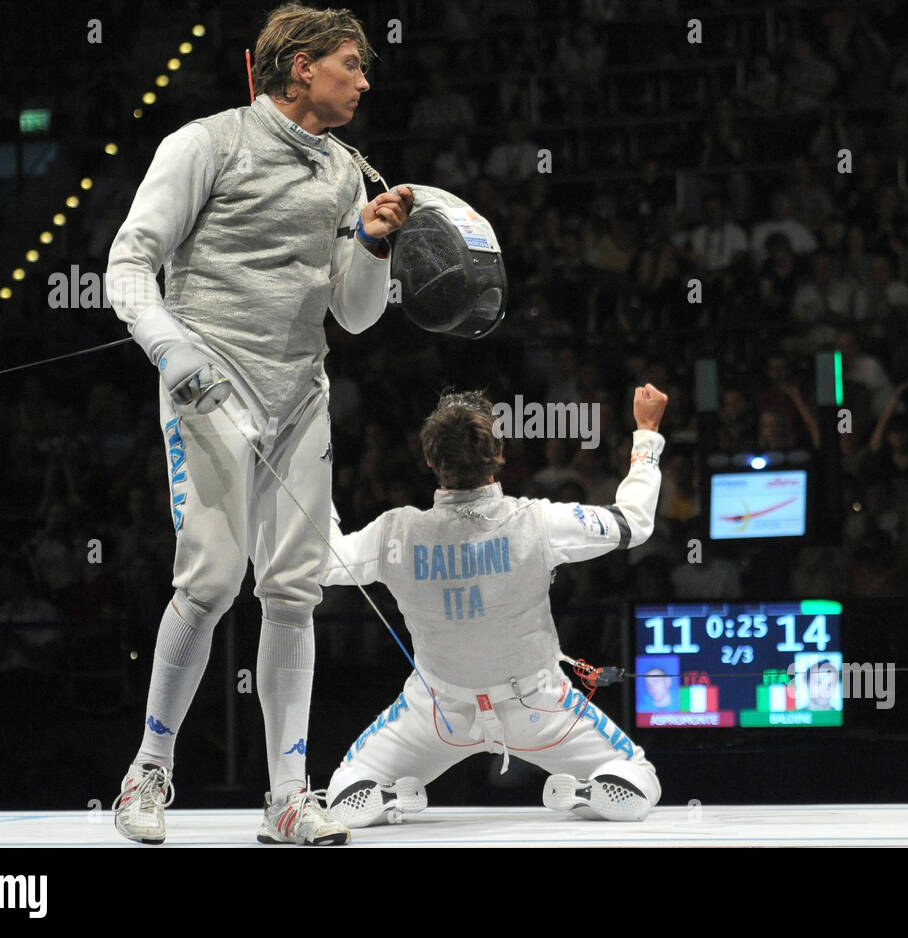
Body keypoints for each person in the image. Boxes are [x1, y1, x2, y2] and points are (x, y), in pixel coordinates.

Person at [104, 4, 412, 846]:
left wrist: (374, 245)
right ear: (302, 66)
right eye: (352, 63)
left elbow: (351, 317)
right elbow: (128, 266)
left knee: (292, 592)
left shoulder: (349, 172)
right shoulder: (207, 143)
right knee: (208, 583)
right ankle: (148, 772)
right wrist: (172, 352)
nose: (364, 78)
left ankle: (287, 795)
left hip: (297, 395)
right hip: (208, 385)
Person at [320, 385, 669, 826]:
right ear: (498, 453)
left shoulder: (397, 533)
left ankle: (385, 792)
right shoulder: (536, 523)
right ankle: (584, 789)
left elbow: (322, 563)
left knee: (346, 784)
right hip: (539, 706)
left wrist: (312, 473)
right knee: (638, 776)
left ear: (430, 460)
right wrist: (647, 433)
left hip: (436, 712)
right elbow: (632, 523)